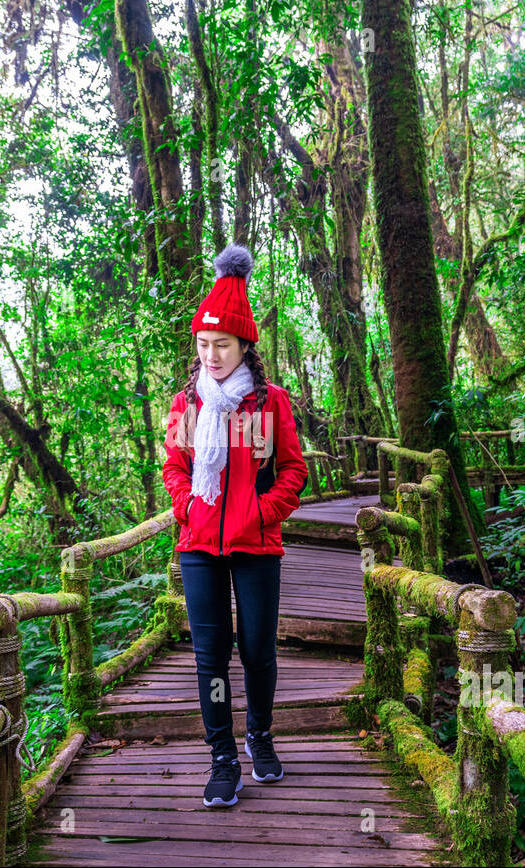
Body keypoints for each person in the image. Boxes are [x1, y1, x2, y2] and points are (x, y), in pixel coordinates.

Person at [162, 243, 309, 808]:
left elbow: (294, 470)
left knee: (257, 651)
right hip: (198, 545)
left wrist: (262, 512)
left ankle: (260, 736)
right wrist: (188, 507)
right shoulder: (187, 403)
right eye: (203, 344)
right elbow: (175, 468)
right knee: (210, 657)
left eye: (221, 344)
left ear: (245, 344)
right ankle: (222, 756)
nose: (211, 355)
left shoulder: (271, 404)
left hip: (257, 546)